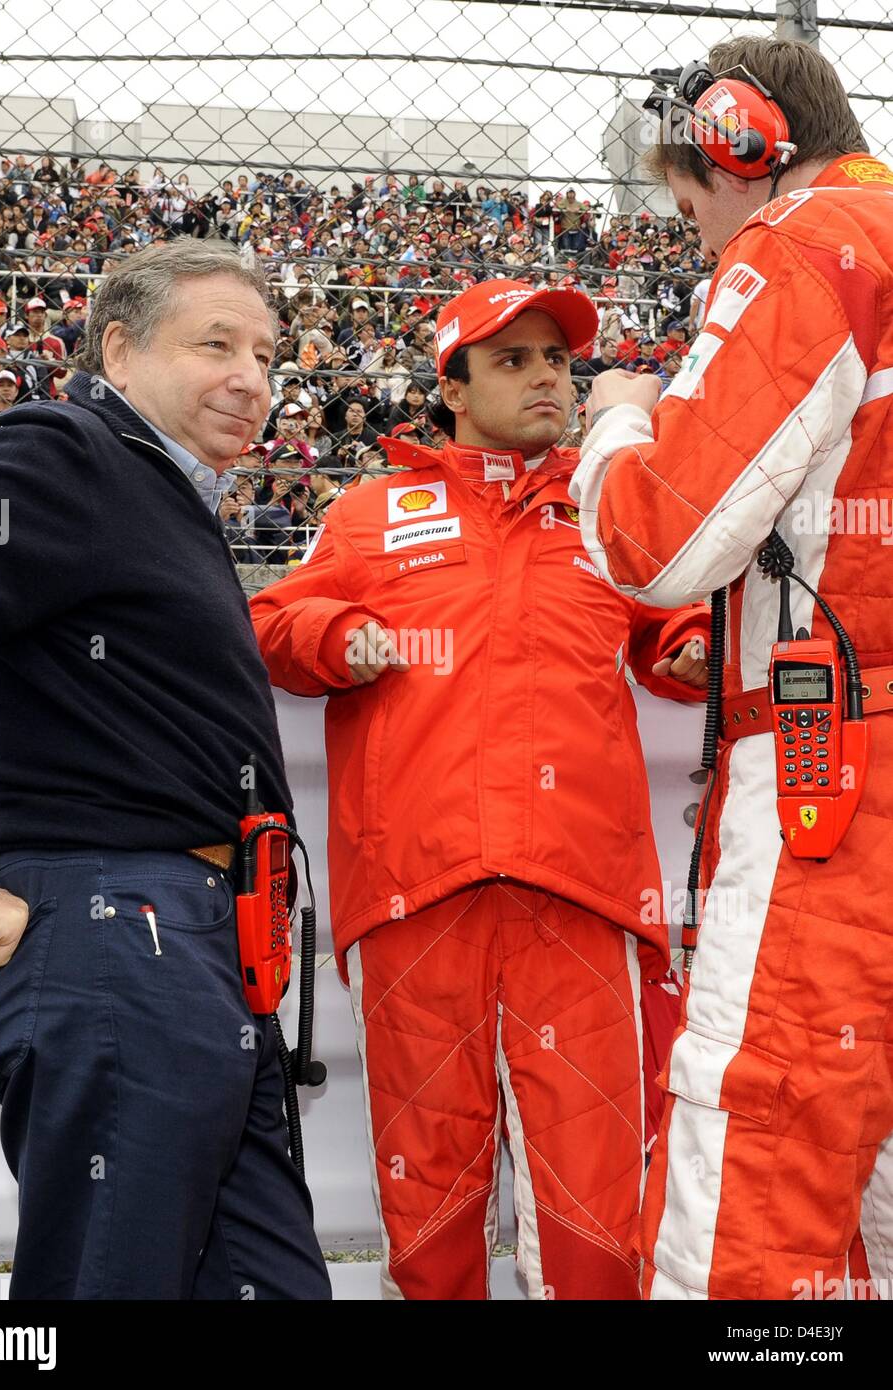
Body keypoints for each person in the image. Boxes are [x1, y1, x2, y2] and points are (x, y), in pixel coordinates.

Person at [250, 277, 711, 1300]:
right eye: (514, 360)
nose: (548, 377)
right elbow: (271, 624)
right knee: (429, 1196)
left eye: (558, 361)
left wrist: (686, 651)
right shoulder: (373, 512)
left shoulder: (609, 505)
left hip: (582, 892)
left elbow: (670, 623)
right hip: (418, 889)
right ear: (451, 387)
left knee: (595, 1208)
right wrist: (334, 635)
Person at [0, 238, 330, 1301]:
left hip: (189, 948)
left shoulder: (155, 492)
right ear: (121, 350)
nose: (253, 378)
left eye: (270, 355)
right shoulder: (70, 450)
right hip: (115, 934)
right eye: (216, 343)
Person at [573, 35, 893, 1301]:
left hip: (841, 772)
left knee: (758, 1141)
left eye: (692, 191)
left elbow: (657, 544)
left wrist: (616, 419)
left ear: (744, 138)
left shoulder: (809, 245)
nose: (693, 226)